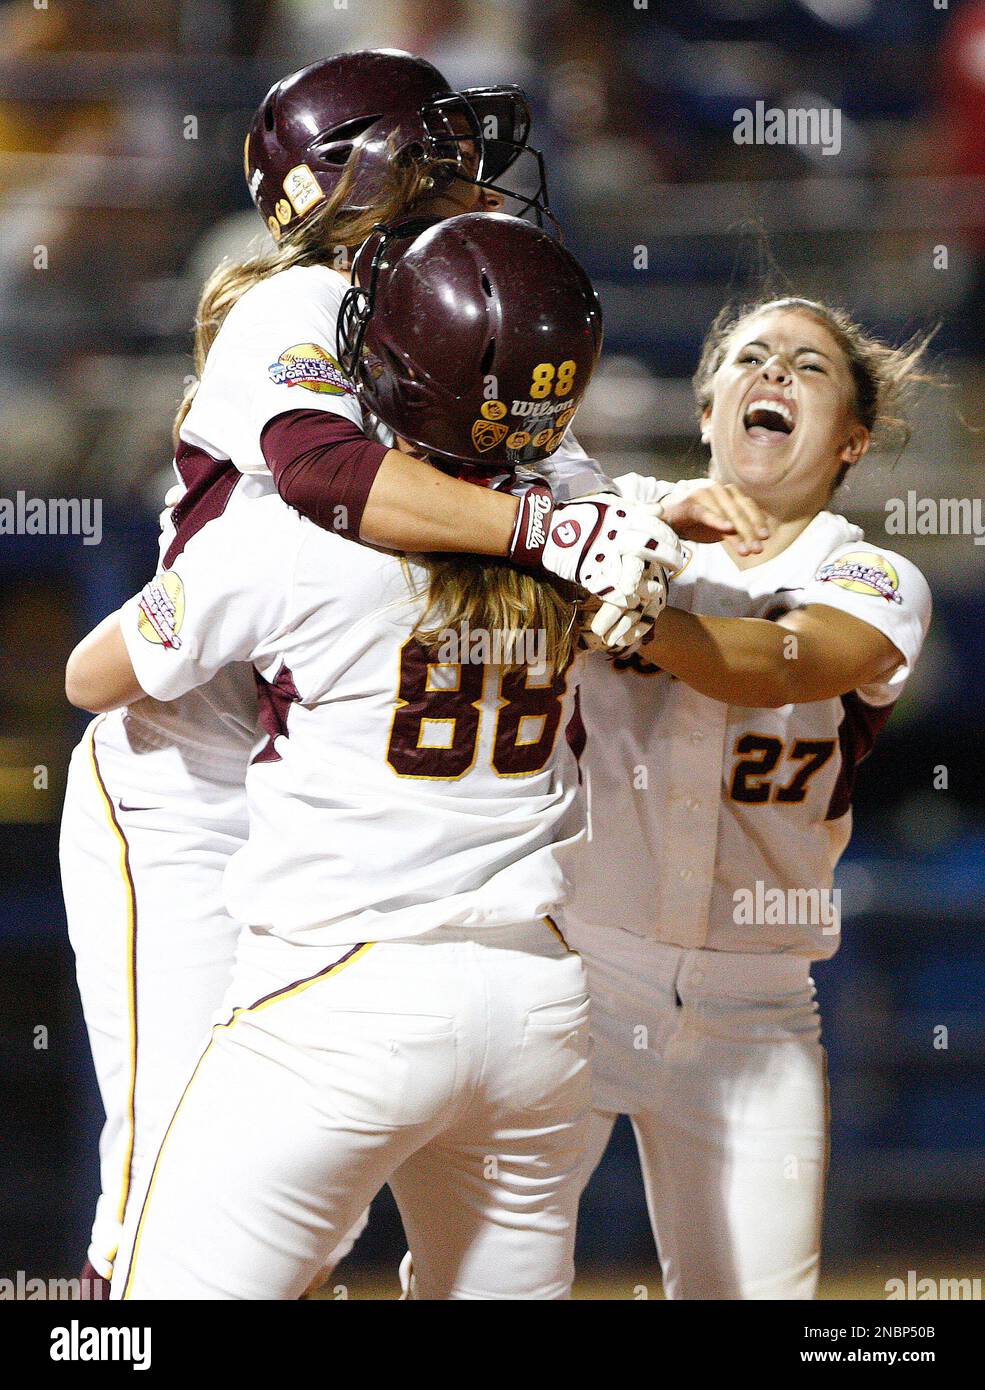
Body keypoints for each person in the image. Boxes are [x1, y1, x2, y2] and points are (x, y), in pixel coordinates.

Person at [59, 49, 675, 1296]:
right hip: (192, 759)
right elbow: (321, 472)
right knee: (164, 1197)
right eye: (436, 142)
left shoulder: (450, 291)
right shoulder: (297, 306)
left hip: (342, 762)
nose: (472, 162)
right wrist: (548, 535)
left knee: (285, 1222)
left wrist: (631, 541)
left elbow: (547, 471)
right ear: (356, 173)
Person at [560, 295, 933, 1299]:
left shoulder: (873, 573)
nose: (774, 373)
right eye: (750, 358)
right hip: (574, 975)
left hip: (755, 1004)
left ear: (851, 439)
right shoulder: (615, 515)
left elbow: (777, 660)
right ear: (707, 407)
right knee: (481, 1280)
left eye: (809, 368)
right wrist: (610, 553)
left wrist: (622, 612)